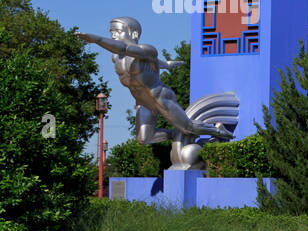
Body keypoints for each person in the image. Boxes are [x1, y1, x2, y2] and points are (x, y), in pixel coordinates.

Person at [76, 17, 233, 144]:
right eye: (111, 32)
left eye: (117, 31)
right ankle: (173, 134)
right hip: (143, 103)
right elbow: (150, 61)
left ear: (134, 34)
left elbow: (127, 50)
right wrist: (167, 64)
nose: (113, 35)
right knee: (144, 139)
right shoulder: (115, 56)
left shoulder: (148, 49)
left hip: (160, 97)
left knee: (188, 127)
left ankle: (218, 130)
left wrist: (96, 39)